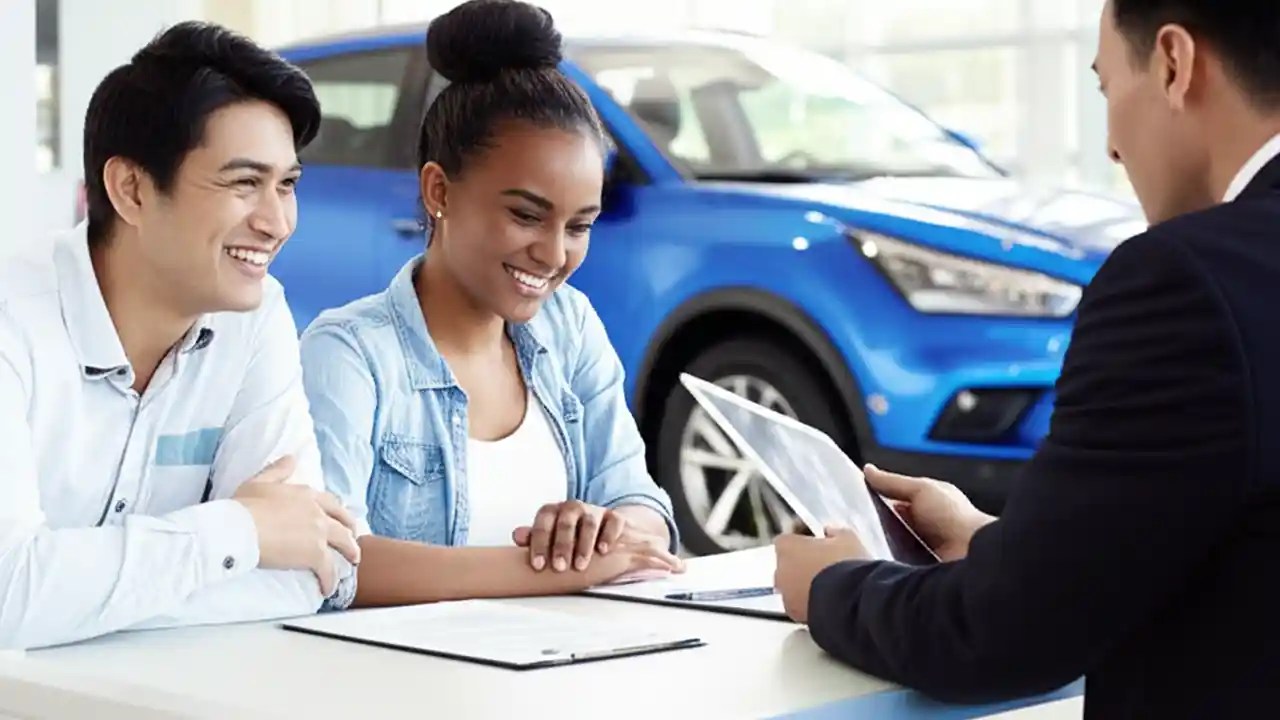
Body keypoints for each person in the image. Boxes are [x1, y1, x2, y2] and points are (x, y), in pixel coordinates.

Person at [774, 0, 1280, 716]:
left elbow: (1001, 637)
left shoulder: (1186, 280)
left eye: (1105, 88)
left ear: (1174, 63)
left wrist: (834, 586)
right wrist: (999, 544)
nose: (1111, 145)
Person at [300, 0, 683, 608]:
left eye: (579, 225)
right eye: (526, 215)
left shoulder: (571, 326)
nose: (554, 254)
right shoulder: (351, 352)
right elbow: (331, 560)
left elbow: (644, 511)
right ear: (438, 190)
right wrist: (553, 569)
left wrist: (609, 528)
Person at [0, 21, 362, 650]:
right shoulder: (13, 321)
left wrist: (69, 595)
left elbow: (315, 570)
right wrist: (239, 532)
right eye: (244, 183)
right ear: (131, 189)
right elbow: (8, 596)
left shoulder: (254, 315)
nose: (276, 222)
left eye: (288, 185)